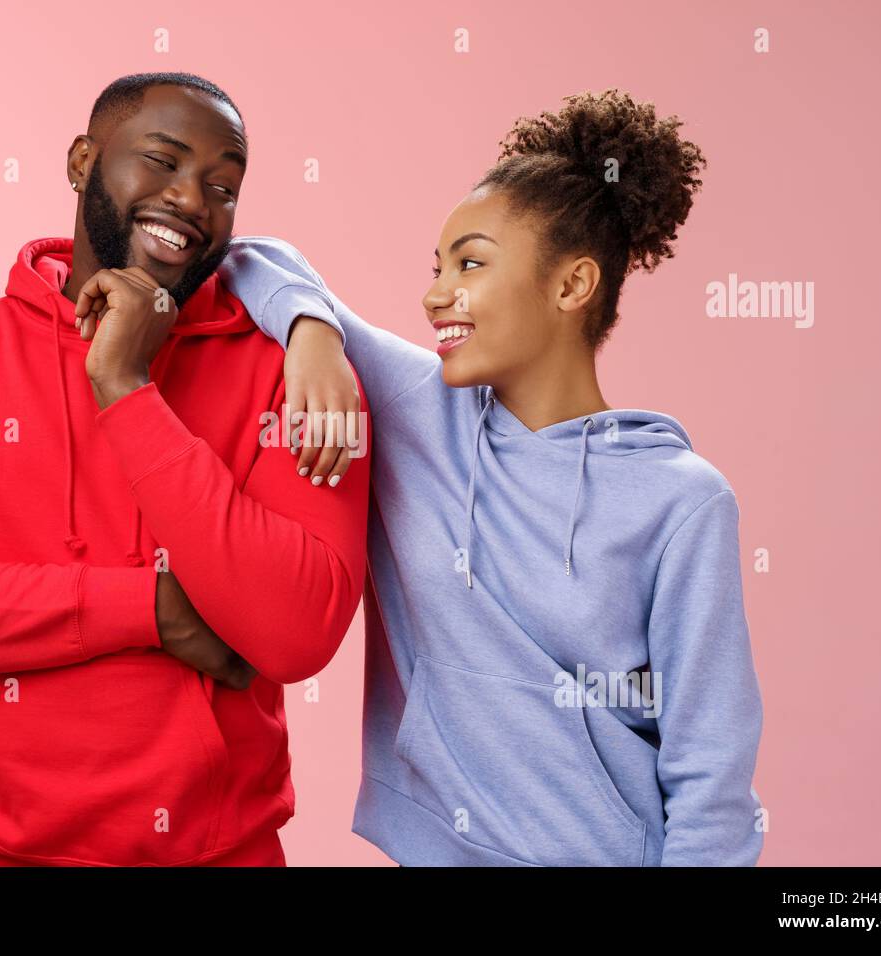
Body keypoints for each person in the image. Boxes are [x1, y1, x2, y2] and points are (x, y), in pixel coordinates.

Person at [0, 72, 371, 867]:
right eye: (163, 161)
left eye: (222, 185)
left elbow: (296, 632)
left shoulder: (295, 373)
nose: (191, 199)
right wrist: (146, 608)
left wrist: (127, 387)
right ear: (82, 160)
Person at [217, 90, 765, 866]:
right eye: (437, 268)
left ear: (571, 286)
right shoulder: (417, 410)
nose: (436, 292)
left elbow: (711, 768)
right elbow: (249, 256)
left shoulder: (683, 499)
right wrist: (313, 336)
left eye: (470, 264)